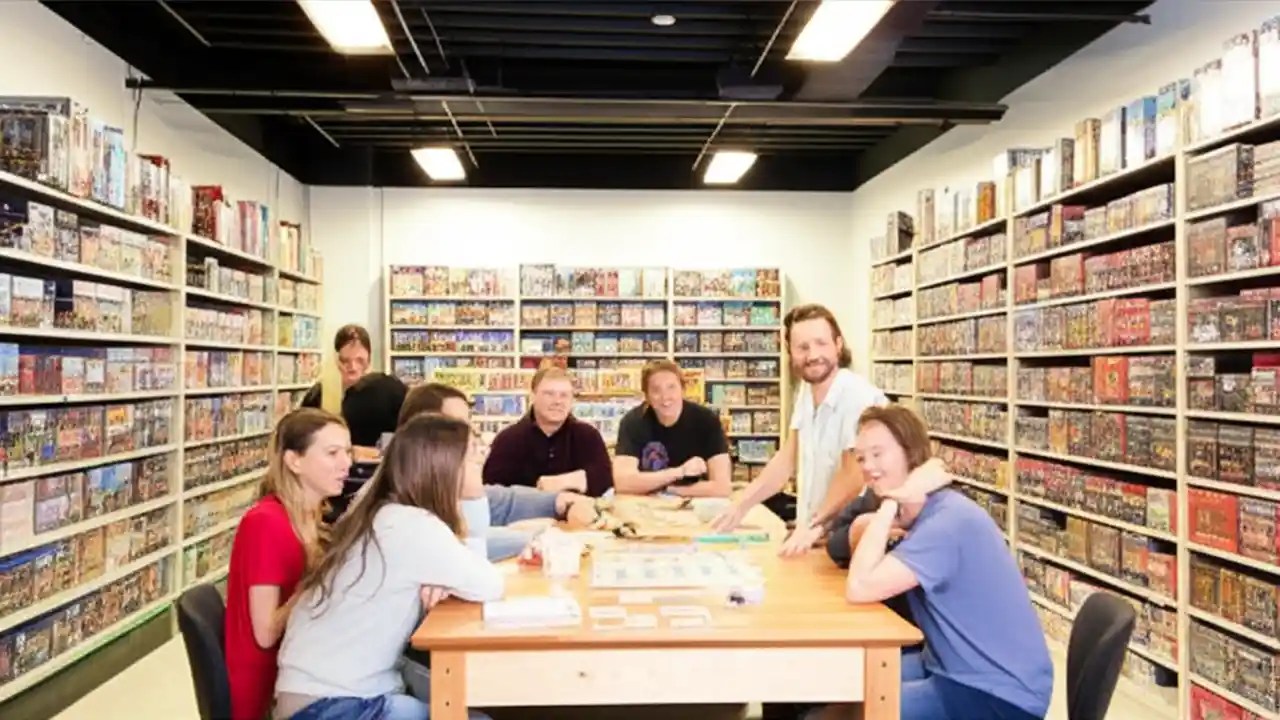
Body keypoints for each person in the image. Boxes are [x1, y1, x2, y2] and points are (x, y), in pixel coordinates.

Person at [820, 405, 1052, 720]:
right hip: (954, 667)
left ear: (912, 454)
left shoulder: (946, 523)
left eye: (878, 453)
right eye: (861, 458)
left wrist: (891, 501)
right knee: (845, 687)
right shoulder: (931, 513)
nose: (868, 466)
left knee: (859, 711)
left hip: (996, 696)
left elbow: (859, 587)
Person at [275, 413, 501, 720]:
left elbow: (465, 572)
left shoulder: (384, 511)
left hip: (316, 695)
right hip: (334, 706)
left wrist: (448, 577)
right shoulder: (410, 525)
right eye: (473, 459)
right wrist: (474, 496)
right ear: (445, 468)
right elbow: (489, 584)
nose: (479, 467)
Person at [711, 304, 888, 556]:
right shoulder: (806, 392)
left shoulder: (858, 397)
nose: (812, 354)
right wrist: (741, 505)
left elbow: (854, 475)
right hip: (815, 539)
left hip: (850, 540)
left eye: (821, 343)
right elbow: (787, 459)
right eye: (802, 347)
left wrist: (814, 524)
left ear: (838, 345)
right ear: (790, 352)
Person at [224, 408, 352, 720]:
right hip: (267, 693)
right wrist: (317, 580)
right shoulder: (266, 523)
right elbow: (266, 632)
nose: (346, 463)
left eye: (347, 451)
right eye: (332, 453)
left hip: (297, 667)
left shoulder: (311, 517)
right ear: (294, 461)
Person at [395, 382, 600, 560]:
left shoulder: (425, 480)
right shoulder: (401, 507)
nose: (471, 435)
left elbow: (501, 500)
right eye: (458, 427)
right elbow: (462, 552)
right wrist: (537, 536)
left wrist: (559, 502)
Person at [482, 366, 613, 496]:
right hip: (525, 516)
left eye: (564, 395)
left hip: (580, 514)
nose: (557, 401)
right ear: (533, 396)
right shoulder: (508, 440)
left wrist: (564, 481)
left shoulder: (588, 436)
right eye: (549, 394)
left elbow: (606, 482)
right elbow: (492, 491)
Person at [613, 360, 731, 497]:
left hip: (697, 503)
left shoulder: (706, 420)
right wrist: (679, 472)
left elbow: (722, 487)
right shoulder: (632, 422)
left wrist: (670, 490)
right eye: (656, 390)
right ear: (647, 396)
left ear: (683, 389)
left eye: (671, 387)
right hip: (648, 504)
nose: (665, 397)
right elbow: (622, 483)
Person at [300, 324, 372, 415]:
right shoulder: (318, 395)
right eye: (345, 361)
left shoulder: (381, 395)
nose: (353, 367)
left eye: (360, 361)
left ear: (369, 360)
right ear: (336, 360)